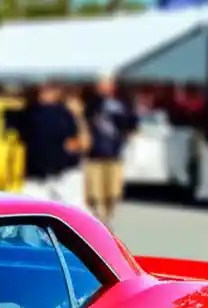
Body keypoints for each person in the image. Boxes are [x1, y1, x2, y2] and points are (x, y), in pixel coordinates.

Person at [19, 81, 88, 209]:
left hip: (63, 177)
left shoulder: (65, 113)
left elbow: (82, 143)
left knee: (71, 214)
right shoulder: (28, 112)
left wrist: (78, 116)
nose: (43, 92)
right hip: (36, 178)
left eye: (49, 89)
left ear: (58, 92)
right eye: (42, 89)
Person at [84, 75, 139, 225]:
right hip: (94, 154)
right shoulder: (90, 102)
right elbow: (83, 120)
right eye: (100, 83)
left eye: (106, 83)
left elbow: (132, 123)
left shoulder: (123, 103)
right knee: (95, 192)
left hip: (115, 153)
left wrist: (128, 135)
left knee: (113, 191)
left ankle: (107, 217)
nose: (102, 86)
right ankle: (99, 218)